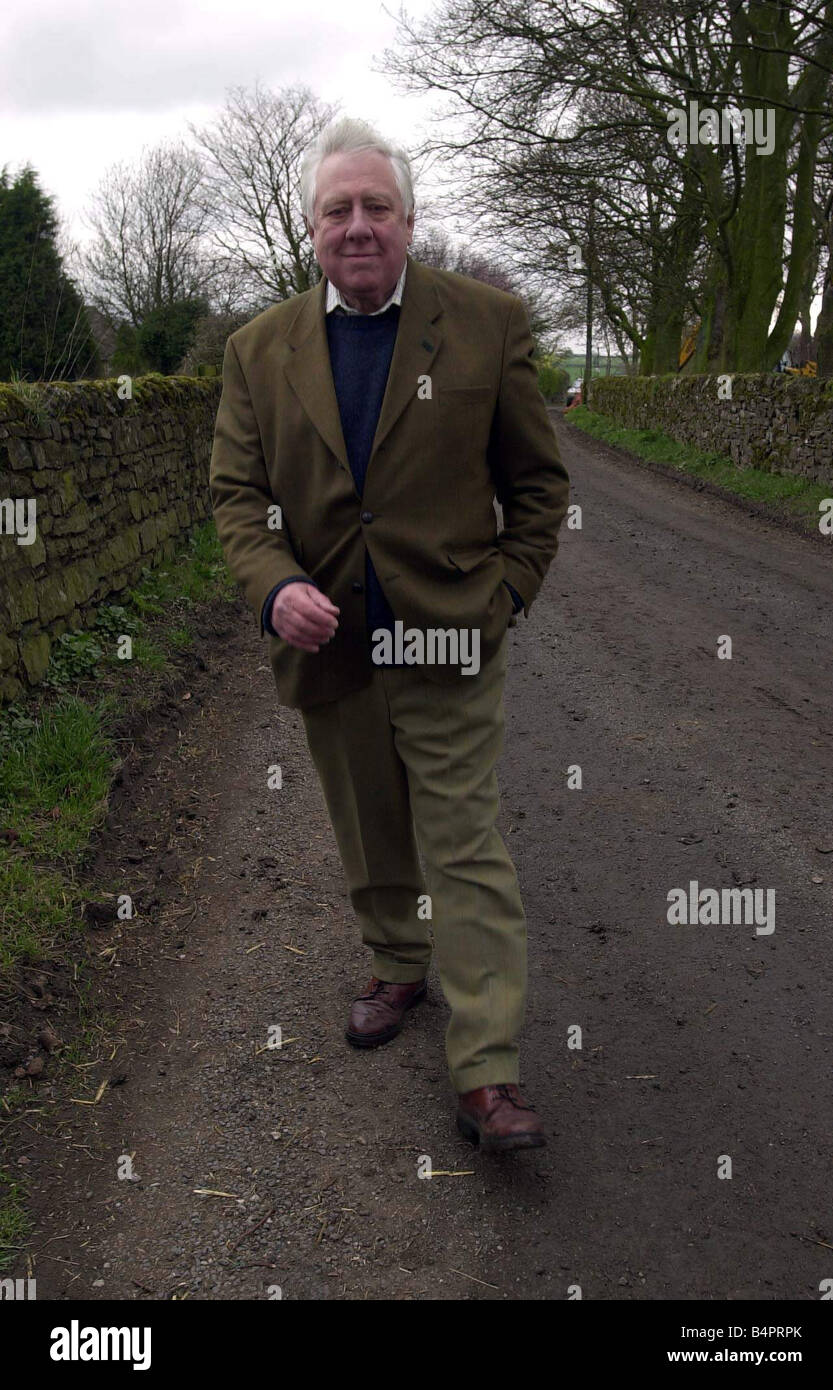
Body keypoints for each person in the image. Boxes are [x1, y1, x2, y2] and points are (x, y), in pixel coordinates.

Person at [209, 117, 570, 1152]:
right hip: (330, 639)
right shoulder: (256, 351)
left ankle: (487, 1068)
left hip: (452, 631)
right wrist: (275, 586)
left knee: (463, 841)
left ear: (409, 220)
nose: (358, 225)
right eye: (338, 210)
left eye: (377, 207)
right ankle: (397, 962)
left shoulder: (489, 325)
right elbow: (237, 495)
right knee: (370, 826)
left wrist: (506, 594)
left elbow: (538, 484)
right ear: (312, 227)